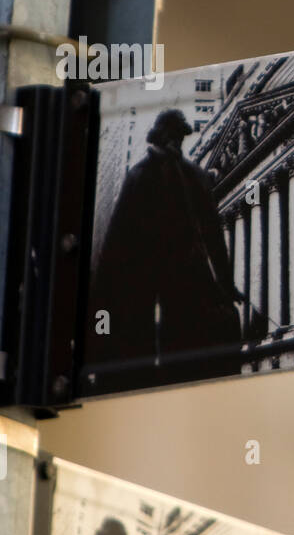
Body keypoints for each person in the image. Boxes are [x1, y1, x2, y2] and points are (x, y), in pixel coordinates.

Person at [90, 109, 243, 388]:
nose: (176, 143)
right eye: (171, 136)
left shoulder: (195, 176)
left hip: (186, 277)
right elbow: (116, 242)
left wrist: (226, 283)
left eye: (179, 137)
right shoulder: (139, 176)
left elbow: (213, 235)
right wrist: (105, 295)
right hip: (146, 280)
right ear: (160, 137)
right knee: (149, 347)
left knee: (186, 350)